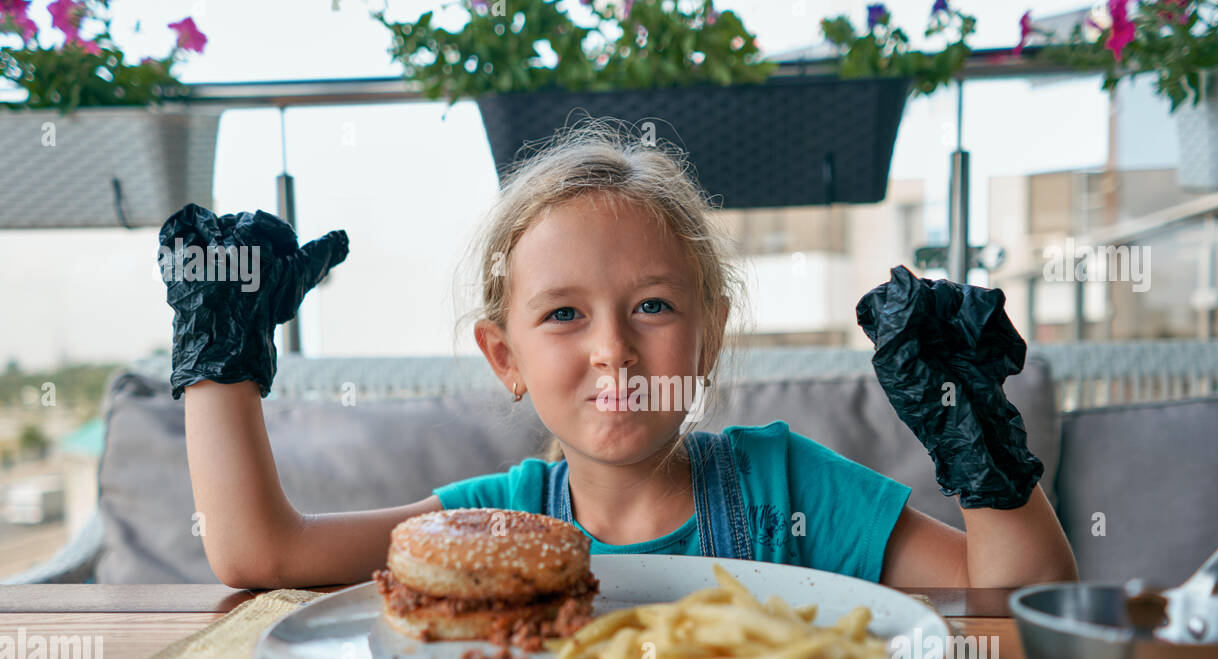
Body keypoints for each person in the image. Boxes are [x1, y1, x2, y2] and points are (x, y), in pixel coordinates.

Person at [166, 119, 1078, 591]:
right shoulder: (496, 526)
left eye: (651, 305)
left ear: (709, 333)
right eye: (563, 314)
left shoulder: (791, 490)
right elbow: (262, 552)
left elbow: (1017, 596)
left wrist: (974, 434)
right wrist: (221, 352)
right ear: (503, 356)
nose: (614, 350)